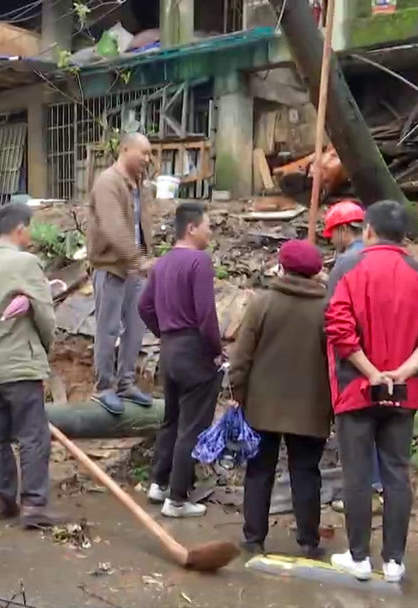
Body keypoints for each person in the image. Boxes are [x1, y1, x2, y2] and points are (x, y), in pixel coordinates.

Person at [324, 200, 418, 582]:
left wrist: (372, 372)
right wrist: (403, 371)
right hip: (403, 391)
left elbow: (337, 328)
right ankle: (394, 561)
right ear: (404, 235)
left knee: (357, 473)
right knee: (397, 472)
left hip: (355, 388)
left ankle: (359, 557)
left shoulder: (347, 267)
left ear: (368, 231)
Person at [228, 239, 332, 558]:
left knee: (260, 470)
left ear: (282, 267)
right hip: (311, 407)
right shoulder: (328, 307)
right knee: (306, 472)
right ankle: (308, 541)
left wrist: (237, 393)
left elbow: (242, 356)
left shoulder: (263, 303)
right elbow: (336, 359)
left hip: (263, 405)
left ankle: (254, 538)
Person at [0, 202, 62, 528]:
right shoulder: (26, 263)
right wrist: (44, 349)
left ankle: (0, 499)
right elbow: (46, 315)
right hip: (20, 362)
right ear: (20, 229)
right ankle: (34, 505)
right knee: (33, 435)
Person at [139, 202, 221, 518]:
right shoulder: (198, 261)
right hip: (193, 351)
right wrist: (216, 351)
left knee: (171, 419)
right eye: (207, 225)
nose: (210, 231)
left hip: (169, 350)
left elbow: (144, 307)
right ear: (191, 228)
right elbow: (206, 315)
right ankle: (177, 498)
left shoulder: (161, 264)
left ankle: (158, 483)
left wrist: (164, 333)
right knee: (193, 426)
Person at [85, 133, 155, 415]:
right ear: (125, 149)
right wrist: (140, 259)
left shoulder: (138, 185)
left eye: (150, 154)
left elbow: (140, 225)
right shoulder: (108, 183)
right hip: (112, 266)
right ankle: (104, 386)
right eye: (144, 153)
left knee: (136, 328)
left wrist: (143, 259)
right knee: (108, 327)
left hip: (135, 269)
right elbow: (114, 227)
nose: (147, 159)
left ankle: (126, 382)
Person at [322, 200, 384, 500]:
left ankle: (363, 489)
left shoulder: (346, 262)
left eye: (333, 233)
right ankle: (380, 482)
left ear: (345, 230)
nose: (331, 240)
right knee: (382, 426)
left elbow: (332, 314)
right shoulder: (382, 257)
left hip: (353, 357)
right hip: (386, 354)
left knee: (358, 428)